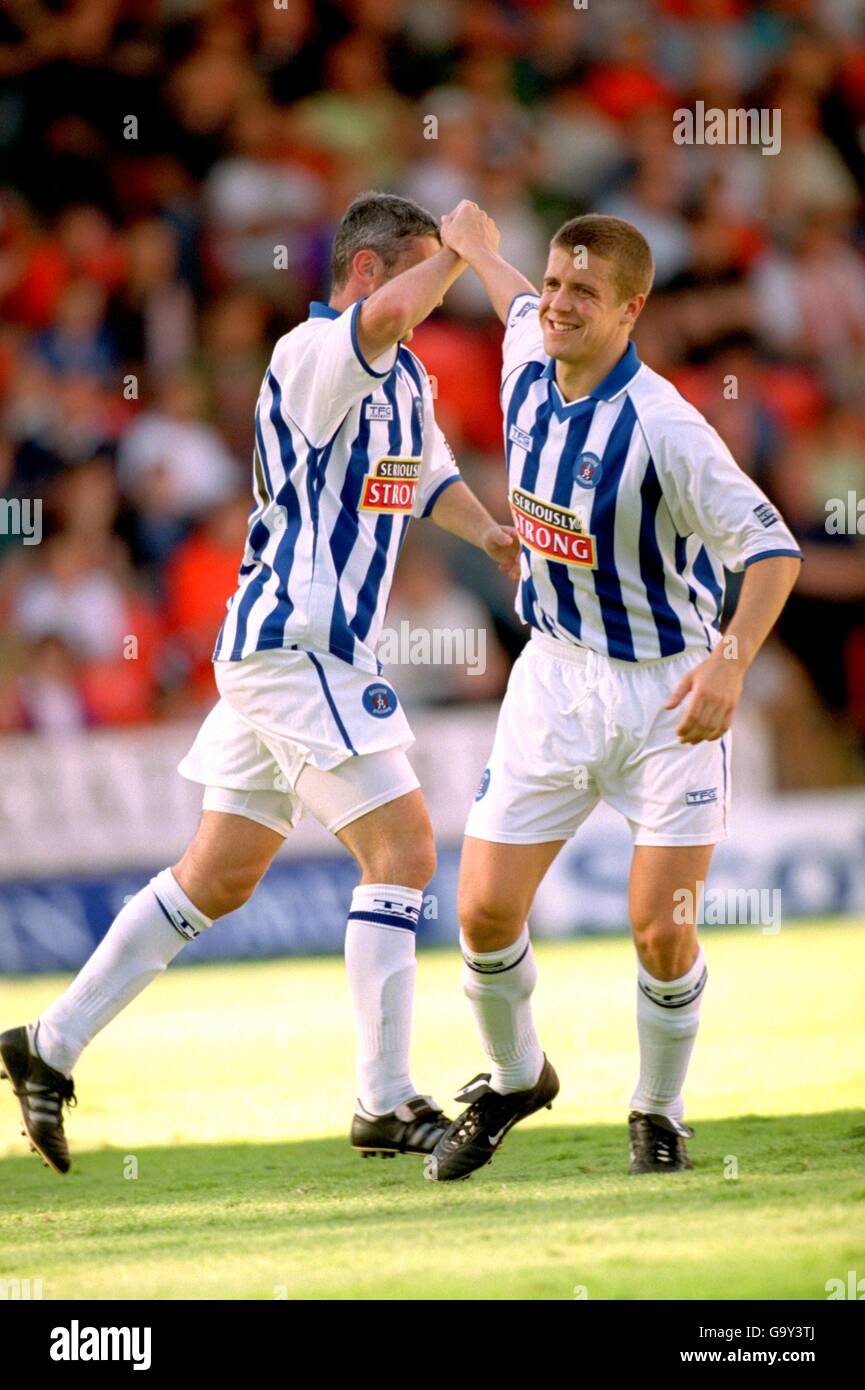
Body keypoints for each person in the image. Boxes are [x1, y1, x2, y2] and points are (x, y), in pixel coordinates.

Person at [0, 193, 520, 1175]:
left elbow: (423, 477)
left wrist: (487, 530)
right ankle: (381, 1096)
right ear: (367, 272)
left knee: (216, 878)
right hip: (297, 645)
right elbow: (394, 316)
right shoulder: (311, 353)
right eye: (418, 271)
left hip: (295, 659)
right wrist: (462, 249)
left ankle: (47, 1042)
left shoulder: (402, 380)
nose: (431, 293)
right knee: (404, 847)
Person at [425, 205, 802, 1182]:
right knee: (484, 916)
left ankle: (657, 1110)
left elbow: (770, 550)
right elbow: (512, 302)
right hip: (552, 678)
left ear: (630, 310)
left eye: (581, 294)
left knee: (661, 924)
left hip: (666, 694)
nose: (555, 305)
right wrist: (480, 253)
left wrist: (728, 660)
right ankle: (516, 1078)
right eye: (553, 285)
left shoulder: (667, 429)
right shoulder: (525, 348)